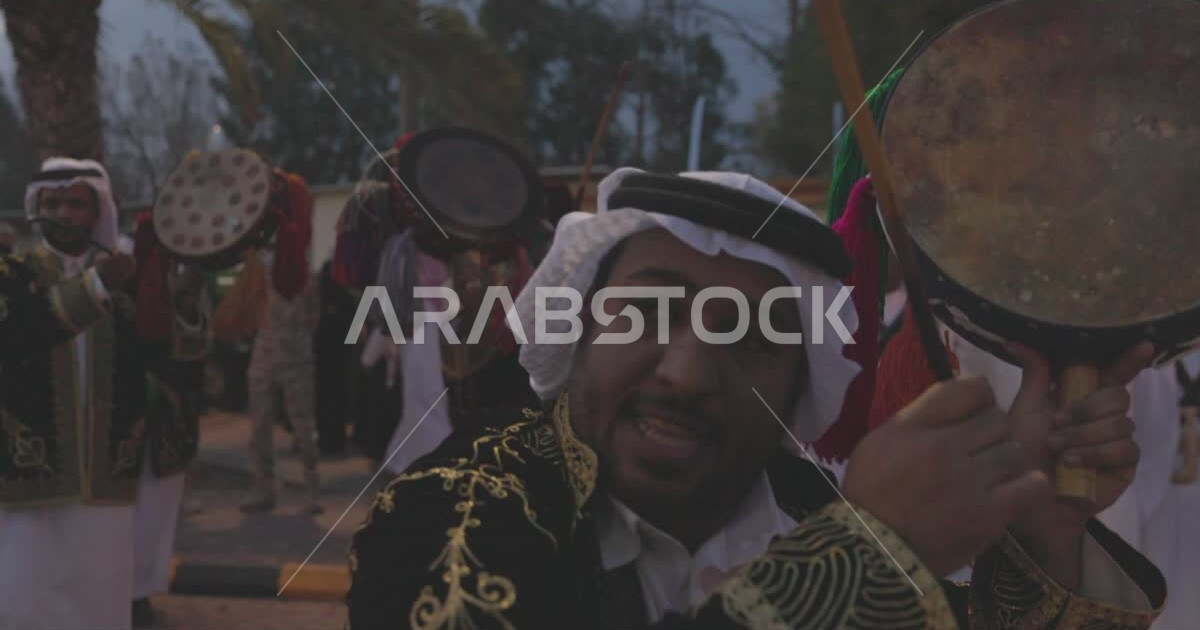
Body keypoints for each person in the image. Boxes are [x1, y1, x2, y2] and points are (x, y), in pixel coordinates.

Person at [346, 168, 1165, 628]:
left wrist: (1042, 540)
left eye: (750, 333)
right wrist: (868, 555)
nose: (688, 372)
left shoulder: (817, 508)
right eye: (654, 309)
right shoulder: (450, 508)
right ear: (581, 328)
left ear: (798, 386)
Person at [0, 158, 205, 629]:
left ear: (99, 212)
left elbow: (176, 363)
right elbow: (16, 336)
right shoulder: (14, 275)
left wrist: (187, 304)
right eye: (52, 202)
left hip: (106, 479)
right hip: (30, 479)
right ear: (35, 207)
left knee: (99, 607)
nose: (64, 213)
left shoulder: (130, 283)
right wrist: (96, 286)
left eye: (76, 203)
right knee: (24, 604)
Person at [239, 169, 323, 515]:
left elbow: (311, 308)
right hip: (264, 347)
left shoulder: (298, 249)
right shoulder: (256, 247)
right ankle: (263, 490)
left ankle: (312, 491)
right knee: (259, 425)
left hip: (294, 350)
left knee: (304, 426)